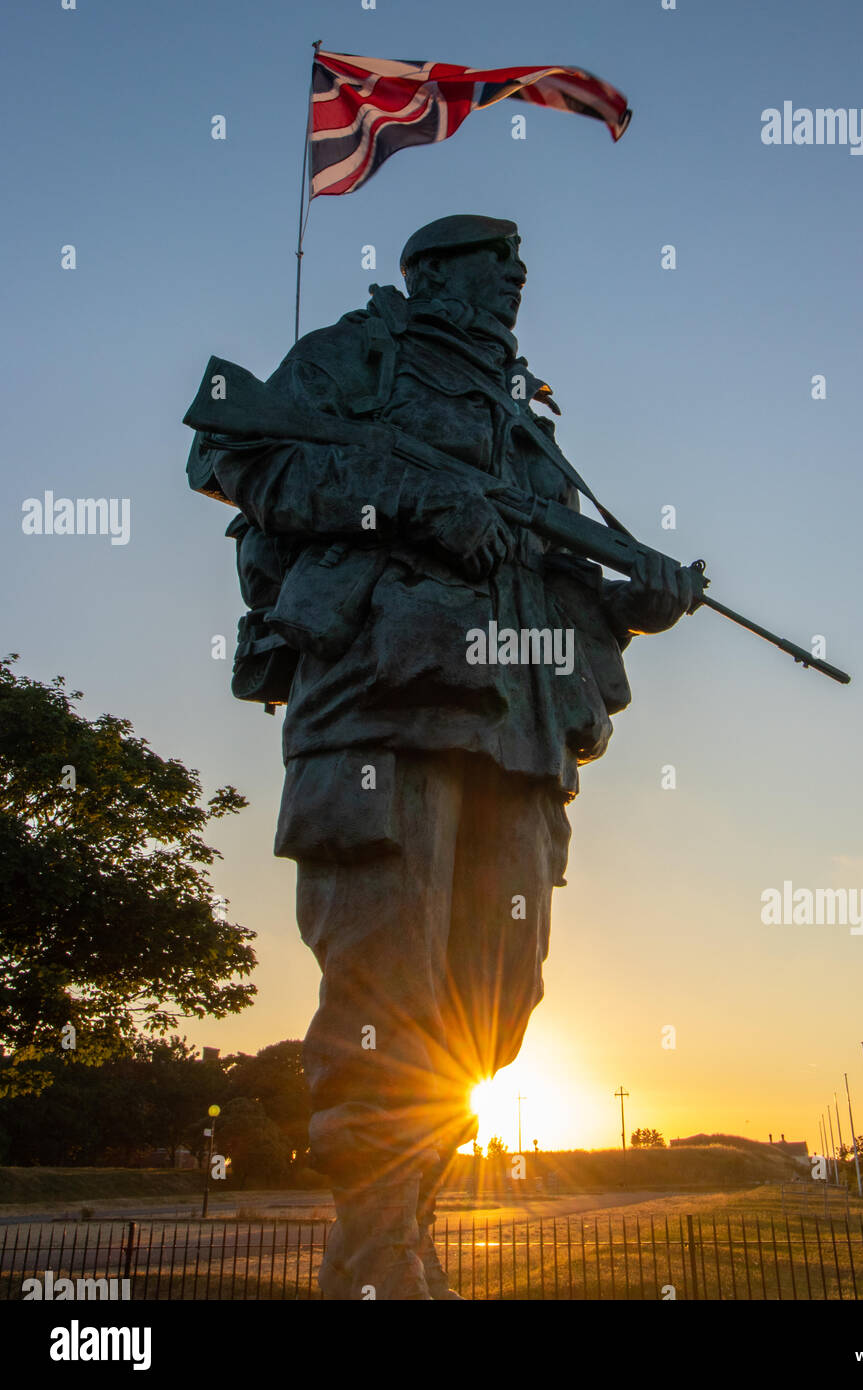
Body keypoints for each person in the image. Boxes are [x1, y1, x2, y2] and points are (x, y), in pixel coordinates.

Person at [208, 214, 698, 1298]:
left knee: (493, 1007)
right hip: (384, 712)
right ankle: (375, 1261)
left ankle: (403, 1233)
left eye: (519, 272)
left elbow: (546, 580)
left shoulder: (526, 430)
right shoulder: (353, 361)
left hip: (515, 736)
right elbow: (237, 451)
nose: (513, 283)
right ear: (430, 275)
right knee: (387, 988)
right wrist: (415, 500)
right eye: (492, 268)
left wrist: (629, 605)